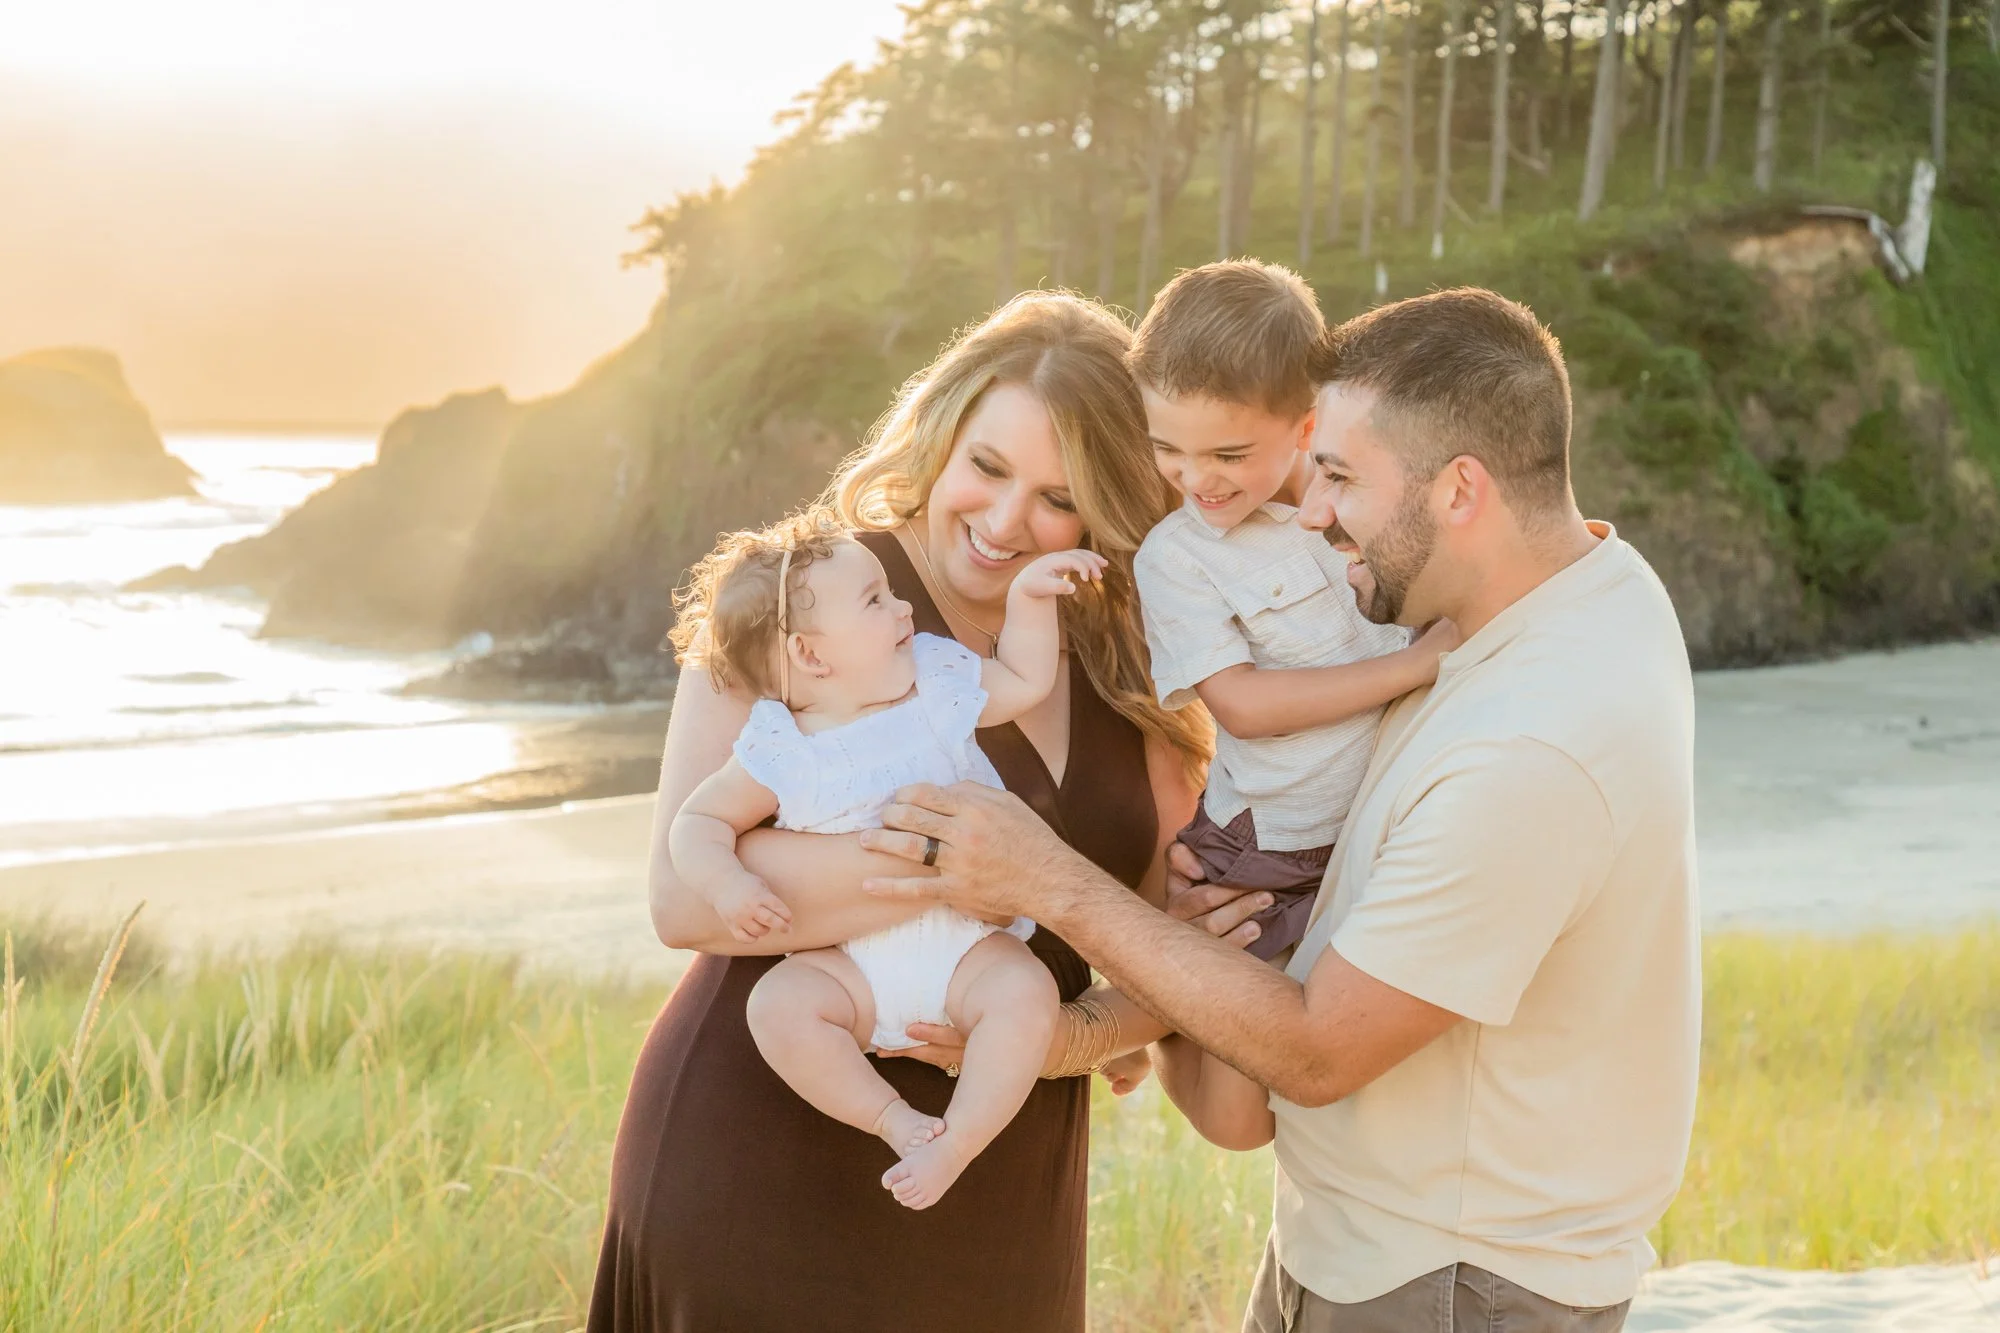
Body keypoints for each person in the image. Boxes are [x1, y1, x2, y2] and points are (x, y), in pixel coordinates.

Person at [862, 288, 1701, 1333]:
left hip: (1446, 1284)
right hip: (1377, 1249)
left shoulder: (1529, 749)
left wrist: (1050, 884)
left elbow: (1315, 1050)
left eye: (1339, 478)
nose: (1310, 513)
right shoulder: (1585, 591)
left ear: (1461, 489)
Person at [588, 291, 1216, 1333]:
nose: (1006, 521)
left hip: (999, 1183)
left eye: (1056, 497)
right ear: (939, 432)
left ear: (1104, 506)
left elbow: (1163, 952)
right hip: (761, 1160)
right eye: (987, 466)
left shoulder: (1128, 668)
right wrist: (965, 868)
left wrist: (1065, 1035)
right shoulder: (808, 599)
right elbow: (681, 900)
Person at [665, 509, 1106, 1208]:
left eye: (892, 593)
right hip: (853, 970)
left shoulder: (934, 684)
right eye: (876, 599)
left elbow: (1024, 678)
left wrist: (1028, 597)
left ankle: (956, 1142)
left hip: (969, 948)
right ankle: (891, 1118)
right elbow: (697, 821)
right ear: (811, 655)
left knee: (1026, 995)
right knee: (778, 1005)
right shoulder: (784, 749)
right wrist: (728, 885)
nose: (903, 607)